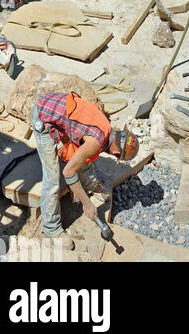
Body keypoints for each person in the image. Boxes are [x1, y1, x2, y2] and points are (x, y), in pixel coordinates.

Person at [31, 92, 139, 250]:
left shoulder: (106, 127)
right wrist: (87, 204)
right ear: (116, 154)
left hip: (57, 107)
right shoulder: (96, 141)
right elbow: (68, 172)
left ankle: (90, 185)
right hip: (43, 114)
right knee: (52, 178)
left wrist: (89, 185)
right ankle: (51, 229)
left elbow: (86, 154)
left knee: (83, 155)